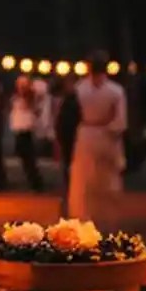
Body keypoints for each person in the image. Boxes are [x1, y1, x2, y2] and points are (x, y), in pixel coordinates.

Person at [67, 51, 128, 224]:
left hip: (86, 133)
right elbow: (121, 121)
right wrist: (113, 130)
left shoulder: (79, 88)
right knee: (106, 178)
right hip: (106, 134)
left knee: (84, 178)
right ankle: (107, 216)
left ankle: (82, 214)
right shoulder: (116, 90)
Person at [9, 76, 44, 192]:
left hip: (26, 130)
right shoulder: (16, 98)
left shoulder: (30, 97)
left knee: (28, 158)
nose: (19, 88)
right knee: (25, 157)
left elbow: (34, 108)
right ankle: (33, 181)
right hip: (19, 129)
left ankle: (36, 182)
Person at [54, 76, 81, 216]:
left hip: (76, 141)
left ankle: (70, 206)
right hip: (69, 141)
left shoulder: (74, 102)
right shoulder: (70, 101)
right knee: (68, 174)